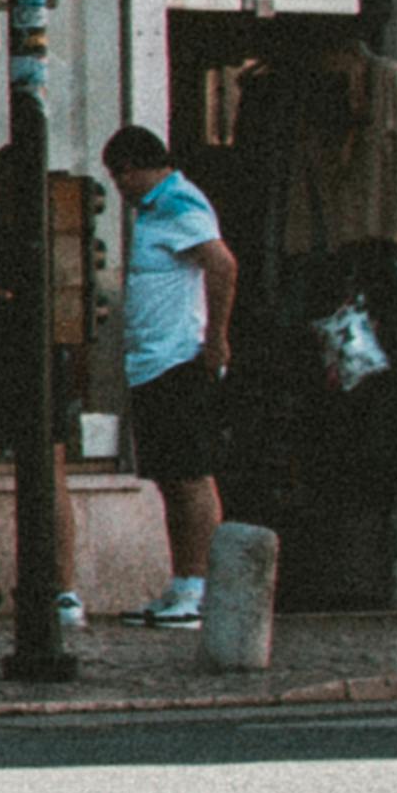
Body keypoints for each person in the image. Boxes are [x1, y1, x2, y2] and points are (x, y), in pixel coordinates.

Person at [109, 123, 237, 629]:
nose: (121, 189)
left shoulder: (180, 203)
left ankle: (202, 588)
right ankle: (183, 581)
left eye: (122, 178)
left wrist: (216, 340)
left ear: (135, 168)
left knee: (189, 476)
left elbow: (222, 264)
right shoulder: (154, 209)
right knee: (169, 479)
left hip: (178, 358)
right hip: (150, 363)